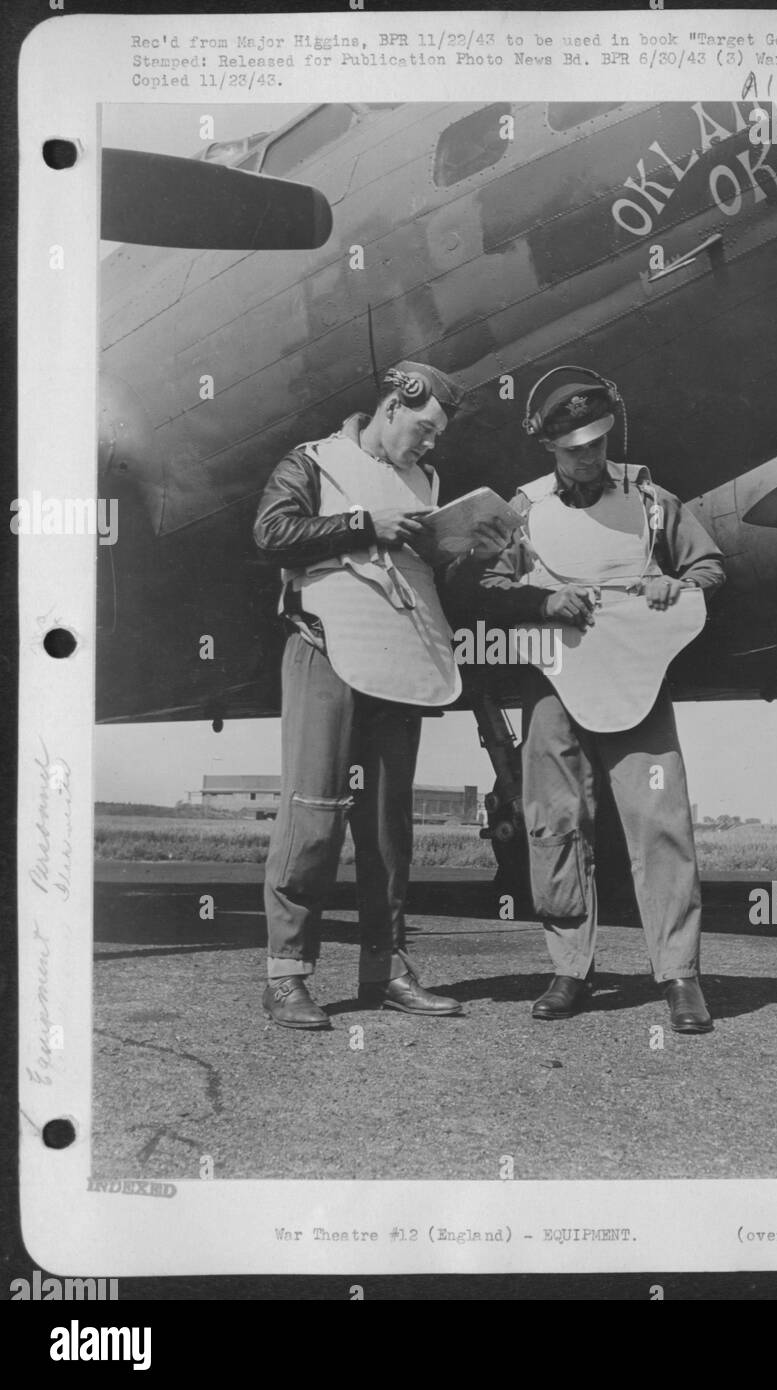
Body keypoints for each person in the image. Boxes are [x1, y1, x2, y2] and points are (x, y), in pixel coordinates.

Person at [460, 367, 725, 1031]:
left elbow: (709, 567)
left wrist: (674, 583)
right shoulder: (521, 512)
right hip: (552, 683)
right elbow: (484, 588)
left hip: (637, 679)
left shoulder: (652, 501)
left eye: (598, 442)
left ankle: (680, 976)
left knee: (660, 821)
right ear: (549, 446)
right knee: (553, 822)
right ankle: (569, 967)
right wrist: (540, 599)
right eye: (575, 446)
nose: (590, 456)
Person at [253, 361, 509, 1028]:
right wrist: (365, 524)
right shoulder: (313, 461)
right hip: (325, 650)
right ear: (393, 406)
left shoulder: (426, 482)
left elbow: (428, 579)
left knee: (388, 827)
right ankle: (286, 976)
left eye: (437, 437)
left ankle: (386, 969)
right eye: (422, 429)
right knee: (313, 813)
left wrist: (473, 551)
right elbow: (271, 533)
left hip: (398, 663)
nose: (428, 446)